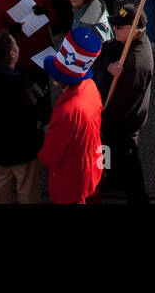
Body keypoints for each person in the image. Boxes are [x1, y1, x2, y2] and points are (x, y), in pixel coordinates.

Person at [37, 27, 104, 204]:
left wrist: (41, 154)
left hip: (72, 178)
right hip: (93, 165)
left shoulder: (66, 110)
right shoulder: (90, 86)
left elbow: (50, 155)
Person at [95, 1, 153, 204]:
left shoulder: (137, 61)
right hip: (112, 119)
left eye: (119, 27)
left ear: (135, 30)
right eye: (114, 25)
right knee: (109, 150)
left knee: (128, 161)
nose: (114, 29)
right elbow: (100, 52)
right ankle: (114, 178)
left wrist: (101, 115)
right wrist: (107, 65)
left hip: (123, 121)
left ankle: (138, 198)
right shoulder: (122, 42)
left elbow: (124, 103)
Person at [0, 32, 44, 204]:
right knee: (28, 190)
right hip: (23, 149)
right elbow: (42, 112)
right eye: (16, 45)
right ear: (12, 54)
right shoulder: (24, 84)